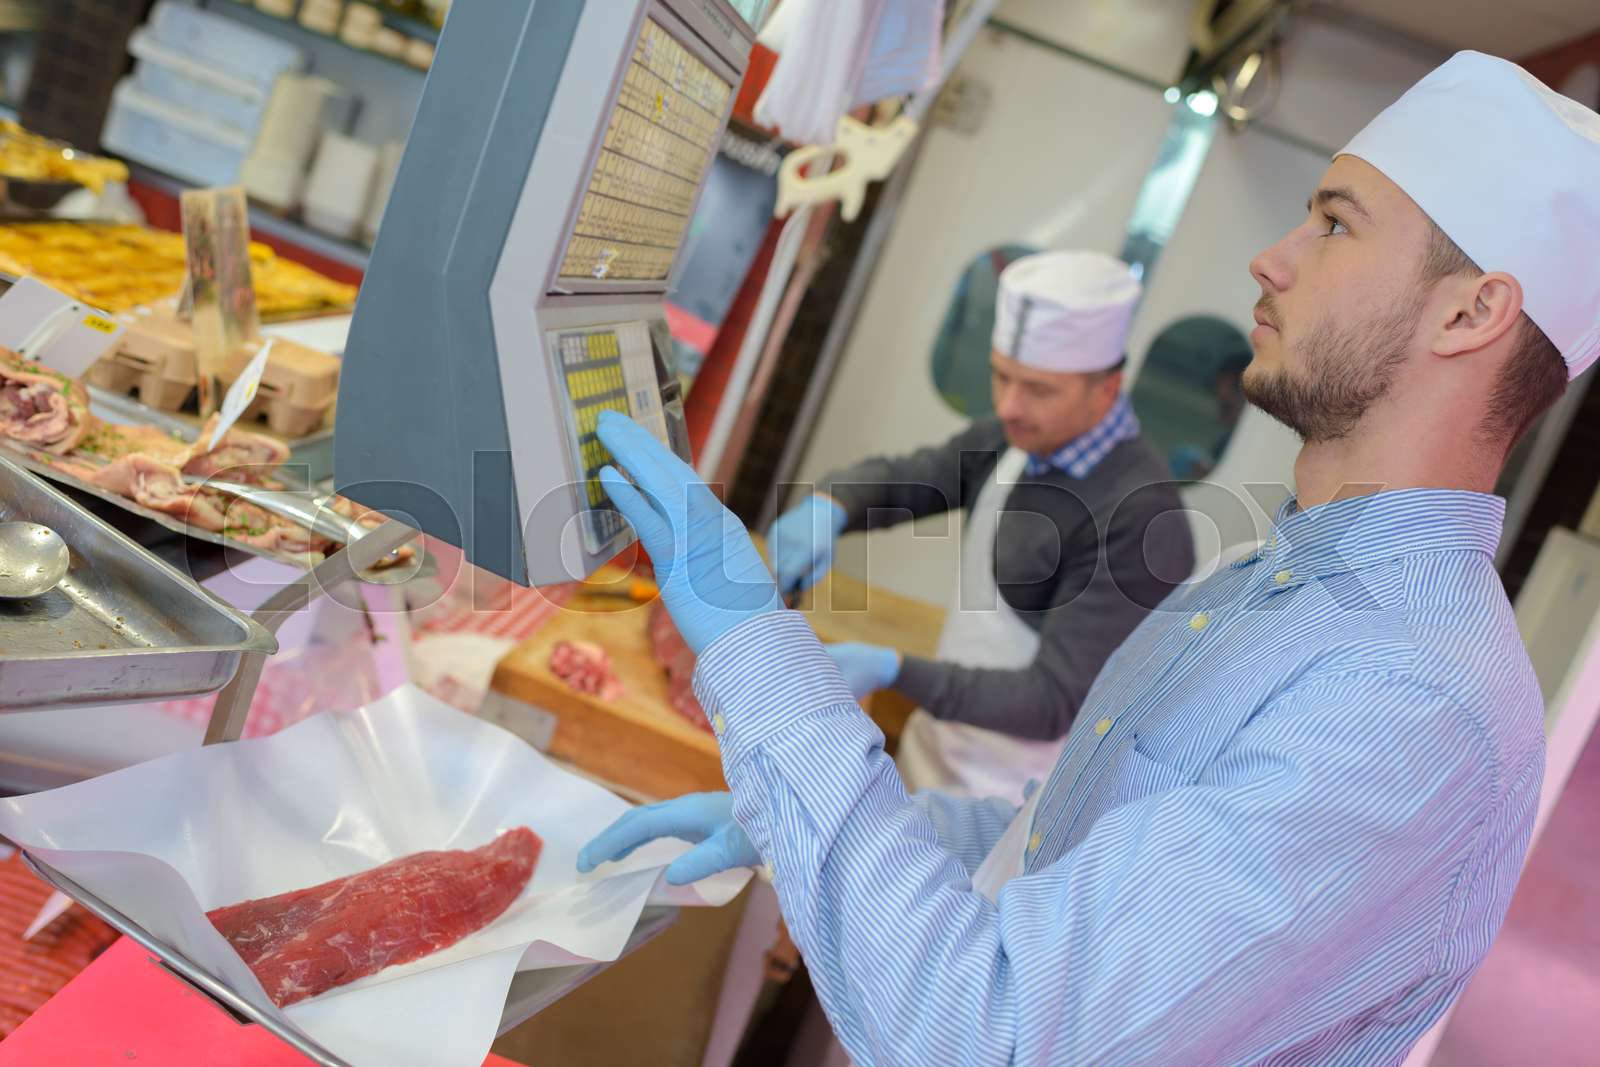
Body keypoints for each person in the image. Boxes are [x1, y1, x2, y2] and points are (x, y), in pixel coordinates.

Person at [578, 52, 1598, 1065]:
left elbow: (998, 1033)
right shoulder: (1266, 583)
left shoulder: (1409, 697)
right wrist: (796, 816)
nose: (1272, 256)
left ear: (1471, 312)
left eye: (1333, 222)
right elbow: (1060, 844)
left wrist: (762, 649)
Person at [768, 249, 1195, 800]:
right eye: (1000, 377)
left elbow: (1051, 702)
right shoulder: (1019, 438)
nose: (1009, 406)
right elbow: (911, 478)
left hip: (1012, 809)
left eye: (1038, 389)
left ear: (1106, 389)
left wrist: (893, 669)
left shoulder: (1141, 518)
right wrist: (833, 504)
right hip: (936, 756)